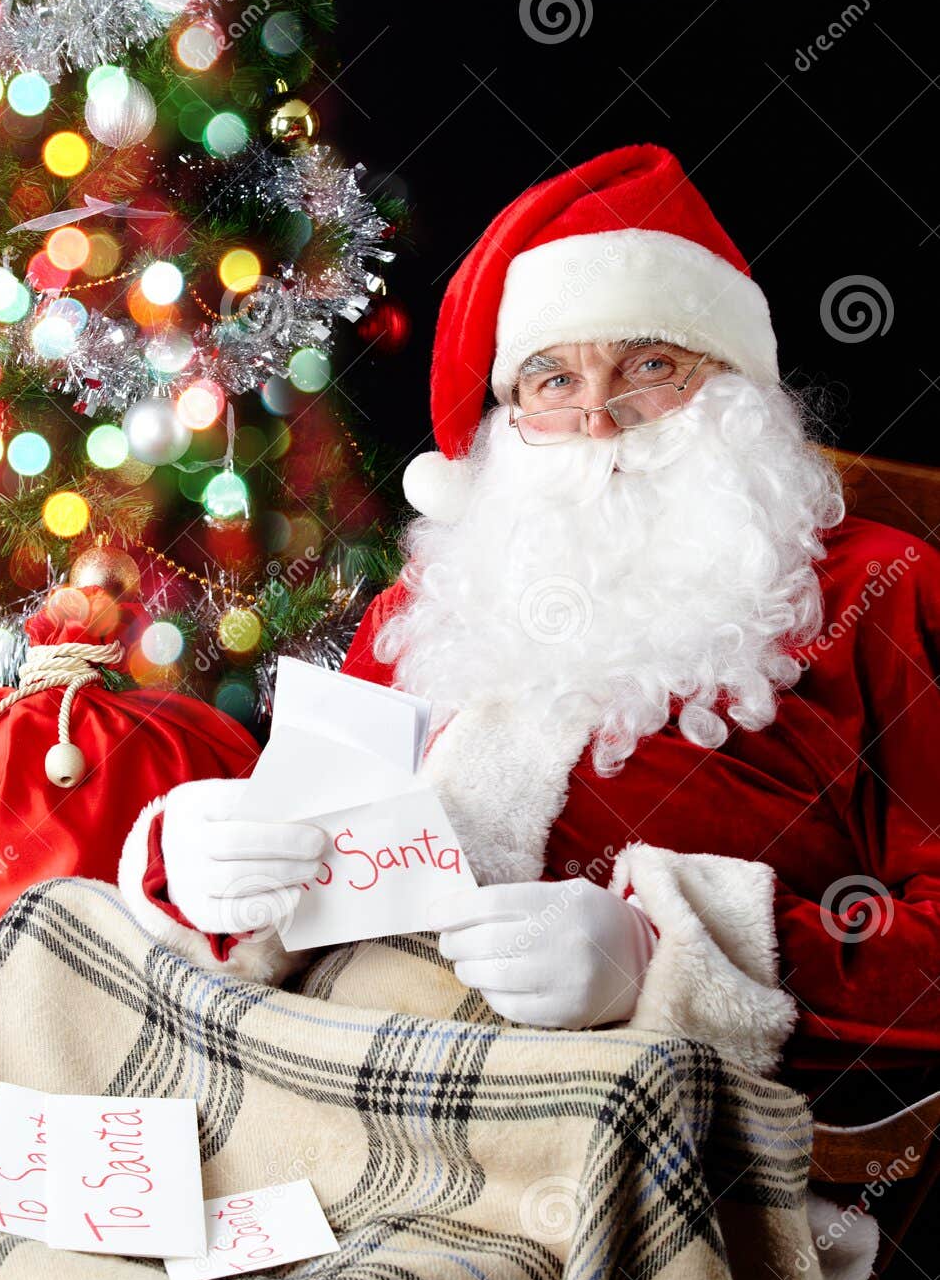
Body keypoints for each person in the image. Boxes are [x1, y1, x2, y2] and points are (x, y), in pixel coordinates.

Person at [119, 143, 940, 1076]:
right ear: (509, 418)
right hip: (338, 1054)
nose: (599, 418)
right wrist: (194, 873)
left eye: (650, 365)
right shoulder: (435, 600)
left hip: (620, 1109)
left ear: (733, 384)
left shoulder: (880, 590)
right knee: (54, 941)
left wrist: (660, 960)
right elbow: (303, 844)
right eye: (554, 381)